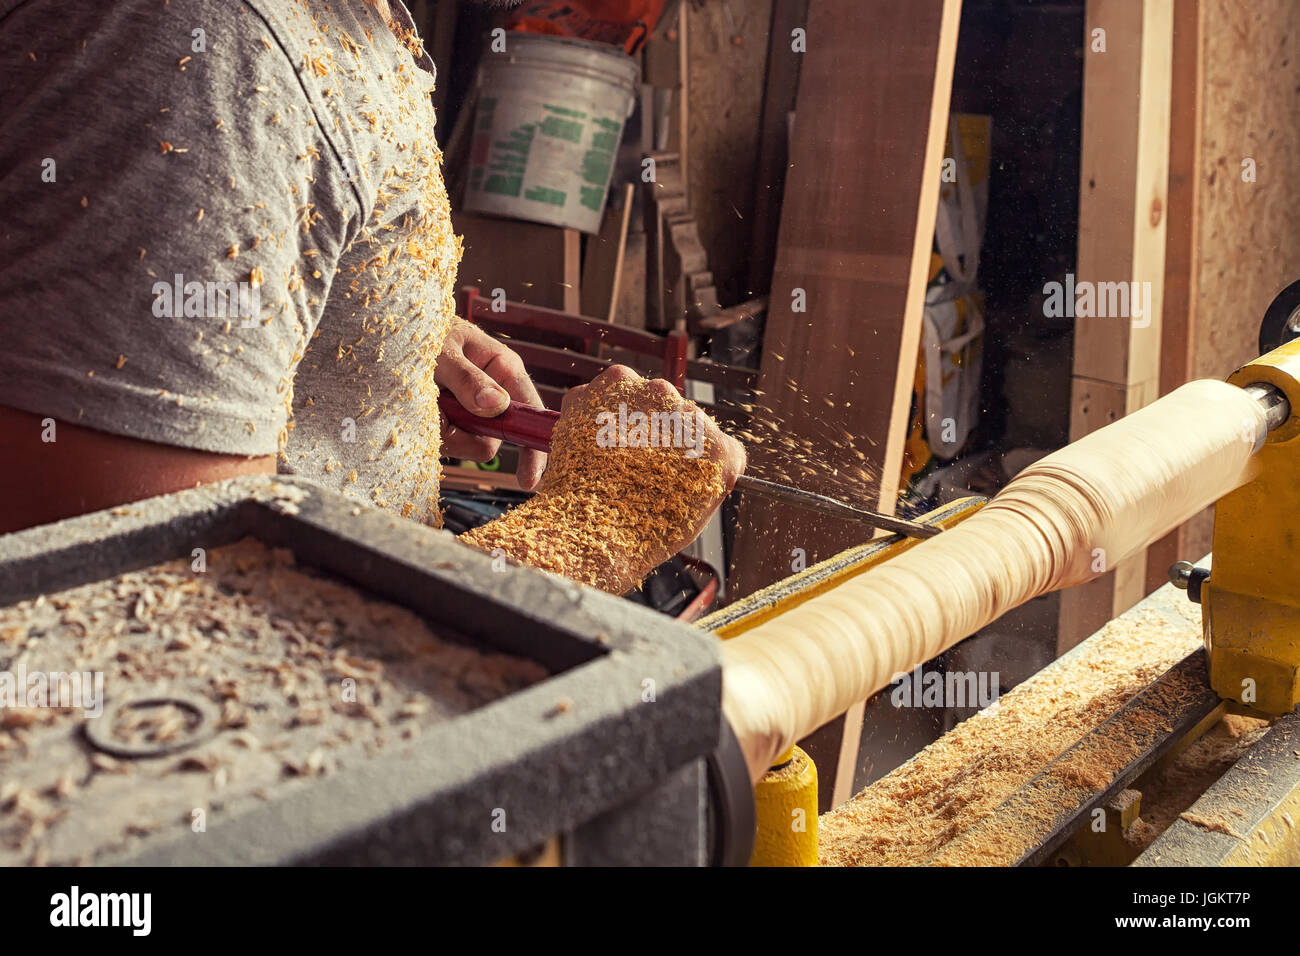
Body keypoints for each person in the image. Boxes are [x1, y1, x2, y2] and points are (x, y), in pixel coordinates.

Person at [0, 0, 744, 592]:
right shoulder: (218, 50)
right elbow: (156, 633)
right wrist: (597, 524)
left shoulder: (342, 21)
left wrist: (372, 323)